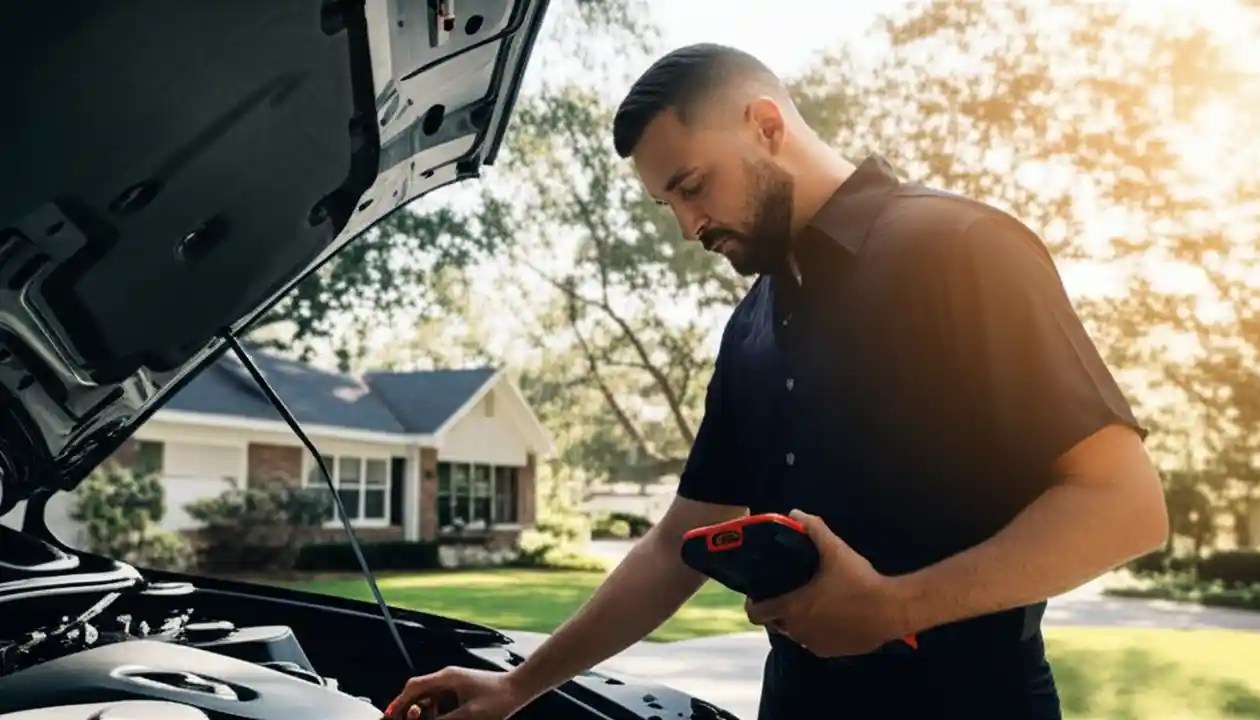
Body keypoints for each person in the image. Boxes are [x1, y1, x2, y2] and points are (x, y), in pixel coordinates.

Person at [384, 43, 1169, 720]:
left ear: (767, 125)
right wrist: (519, 686)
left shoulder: (965, 248)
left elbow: (1124, 506)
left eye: (692, 187)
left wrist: (895, 608)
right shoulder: (750, 324)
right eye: (668, 204)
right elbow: (672, 548)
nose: (687, 227)